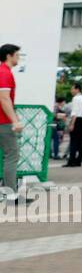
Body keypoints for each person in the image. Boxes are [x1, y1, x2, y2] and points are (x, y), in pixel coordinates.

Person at [0, 44, 22, 201]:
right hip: (4, 122)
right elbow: (4, 98)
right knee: (12, 155)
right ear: (9, 56)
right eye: (17, 55)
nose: (18, 58)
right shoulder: (4, 73)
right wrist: (15, 120)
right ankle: (11, 195)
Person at [65, 83, 82, 166]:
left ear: (77, 89)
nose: (71, 91)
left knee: (73, 142)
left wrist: (72, 124)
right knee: (81, 141)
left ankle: (71, 161)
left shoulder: (75, 98)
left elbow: (74, 112)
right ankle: (79, 160)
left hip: (76, 120)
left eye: (72, 89)